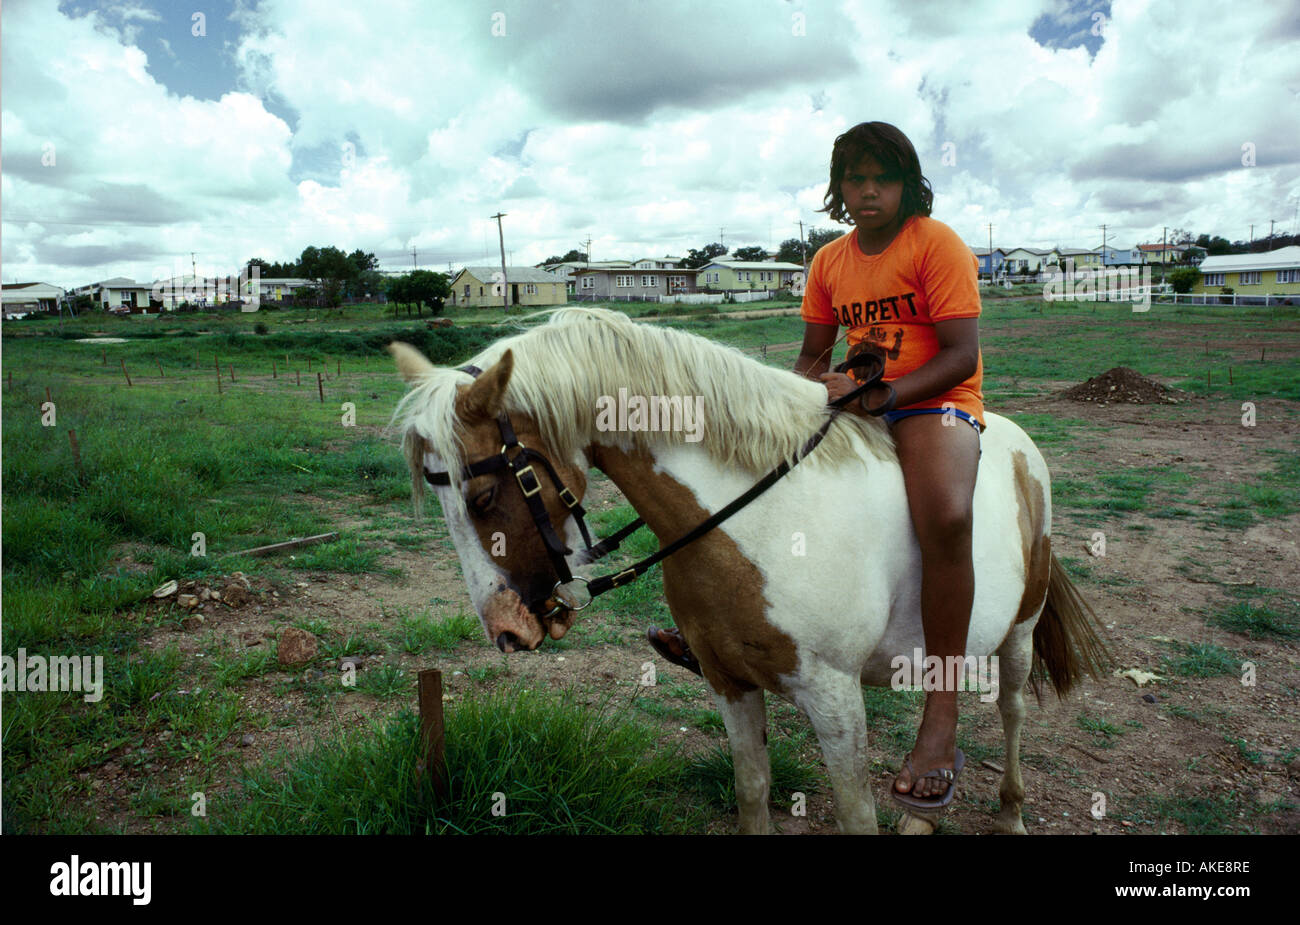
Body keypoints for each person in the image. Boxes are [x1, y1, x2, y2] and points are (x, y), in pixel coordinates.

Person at [649, 120, 984, 811]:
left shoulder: (936, 244)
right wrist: (786, 407)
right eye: (854, 179)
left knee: (947, 516)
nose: (867, 192)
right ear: (837, 188)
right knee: (744, 480)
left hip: (932, 403)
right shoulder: (830, 261)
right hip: (852, 402)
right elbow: (811, 357)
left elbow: (960, 354)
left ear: (907, 182)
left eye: (881, 178)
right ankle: (714, 632)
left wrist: (884, 394)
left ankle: (942, 709)